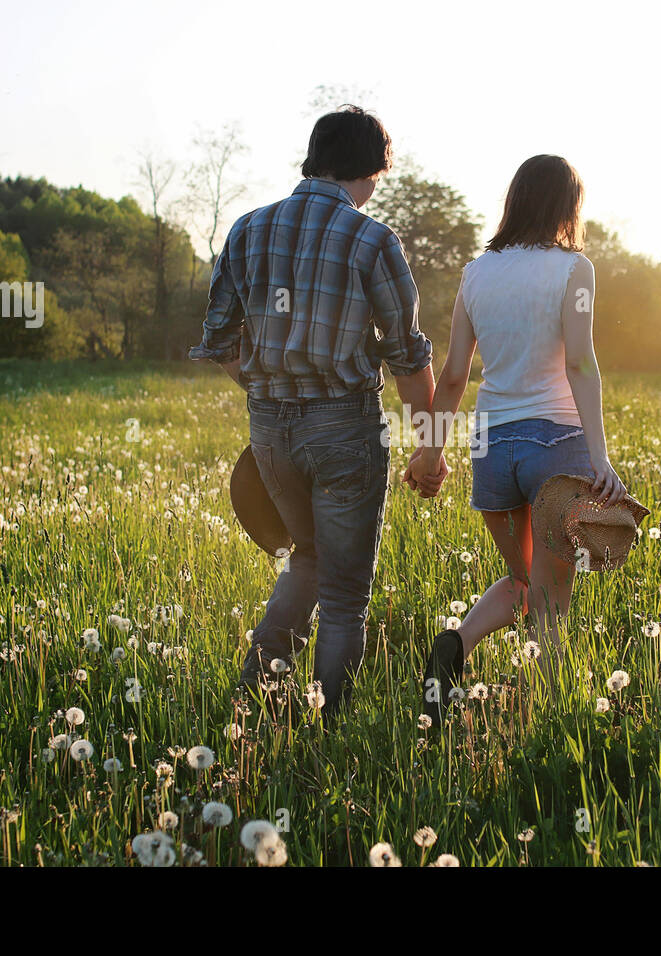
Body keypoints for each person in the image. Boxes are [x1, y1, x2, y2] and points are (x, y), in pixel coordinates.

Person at [191, 105, 447, 722]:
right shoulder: (371, 238)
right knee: (343, 597)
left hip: (270, 430)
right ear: (373, 170)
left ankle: (255, 695)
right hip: (345, 429)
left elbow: (219, 340)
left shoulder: (247, 230)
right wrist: (430, 446)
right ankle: (329, 727)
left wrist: (268, 388)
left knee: (307, 556)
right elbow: (406, 355)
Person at [403, 154, 627, 729]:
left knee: (526, 580)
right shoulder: (576, 272)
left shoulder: (477, 272)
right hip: (558, 447)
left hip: (493, 448)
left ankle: (458, 644)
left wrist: (431, 450)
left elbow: (453, 374)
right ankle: (552, 725)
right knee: (552, 599)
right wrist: (600, 458)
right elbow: (580, 361)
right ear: (568, 206)